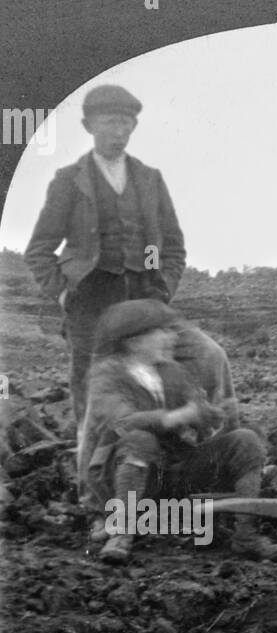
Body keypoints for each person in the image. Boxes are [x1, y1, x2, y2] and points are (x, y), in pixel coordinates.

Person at [81, 299, 277, 565]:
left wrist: (212, 414)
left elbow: (198, 412)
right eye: (161, 332)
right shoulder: (106, 376)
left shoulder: (173, 372)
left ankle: (246, 537)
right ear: (133, 341)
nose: (170, 339)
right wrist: (177, 416)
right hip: (129, 476)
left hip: (172, 473)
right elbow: (123, 421)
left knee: (245, 440)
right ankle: (122, 532)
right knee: (139, 439)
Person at [24, 84, 186, 429]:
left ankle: (138, 469)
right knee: (91, 386)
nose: (119, 132)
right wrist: (65, 292)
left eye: (127, 124)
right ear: (89, 126)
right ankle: (90, 472)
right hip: (90, 298)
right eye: (111, 122)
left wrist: (161, 284)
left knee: (146, 381)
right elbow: (39, 249)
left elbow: (169, 244)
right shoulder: (68, 181)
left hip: (142, 293)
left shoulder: (149, 179)